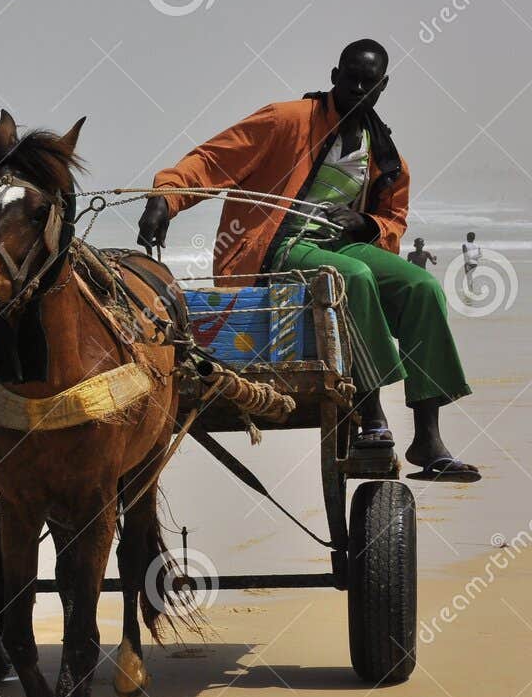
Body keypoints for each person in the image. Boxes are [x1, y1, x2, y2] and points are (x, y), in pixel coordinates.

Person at [137, 38, 479, 482]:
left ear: (382, 87)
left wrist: (366, 225)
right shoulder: (286, 121)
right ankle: (370, 413)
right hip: (272, 250)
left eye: (369, 82)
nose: (358, 87)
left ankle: (428, 439)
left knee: (423, 286)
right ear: (334, 76)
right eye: (350, 77)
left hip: (340, 247)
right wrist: (165, 198)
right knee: (350, 275)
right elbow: (211, 160)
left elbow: (392, 220)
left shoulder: (387, 158)